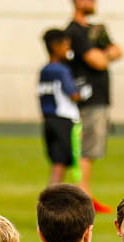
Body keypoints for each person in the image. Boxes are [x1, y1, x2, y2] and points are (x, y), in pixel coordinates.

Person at [66, 0, 123, 213]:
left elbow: (118, 51)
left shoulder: (95, 30)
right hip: (89, 100)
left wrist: (104, 52)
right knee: (87, 149)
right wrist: (104, 52)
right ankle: (82, 196)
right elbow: (97, 61)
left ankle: (85, 193)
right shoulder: (75, 32)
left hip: (100, 98)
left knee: (92, 149)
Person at [39, 29, 81, 186]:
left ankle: (51, 196)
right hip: (64, 120)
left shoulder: (44, 70)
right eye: (66, 46)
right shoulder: (61, 70)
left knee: (57, 163)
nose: (68, 50)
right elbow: (73, 94)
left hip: (49, 120)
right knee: (68, 162)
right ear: (56, 47)